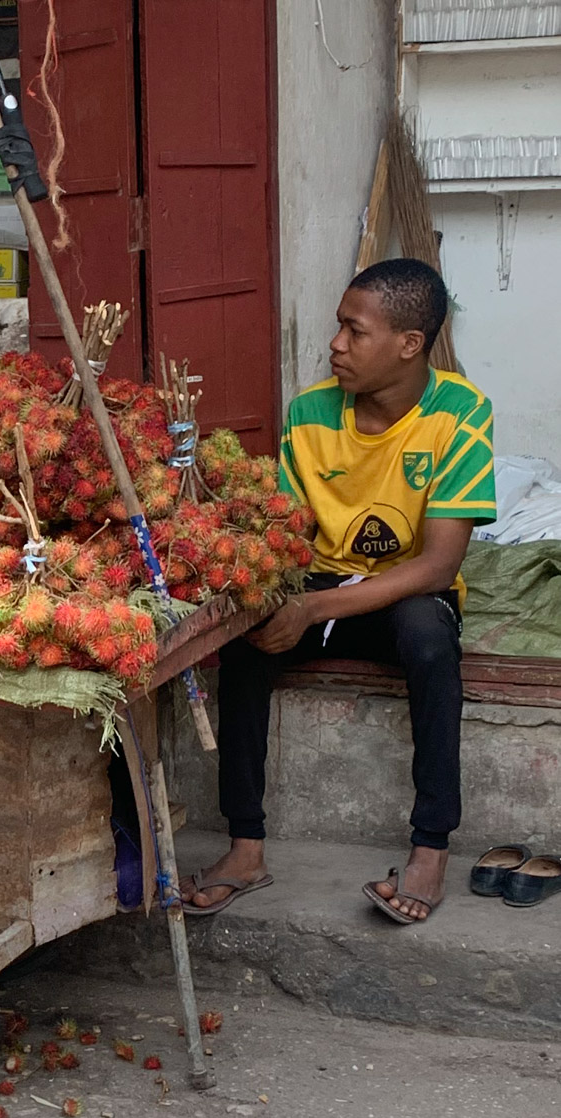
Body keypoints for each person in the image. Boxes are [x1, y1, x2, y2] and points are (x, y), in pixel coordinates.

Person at [182, 258, 495, 924]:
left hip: (403, 593)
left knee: (430, 637)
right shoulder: (310, 414)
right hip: (318, 583)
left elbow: (438, 567)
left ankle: (431, 847)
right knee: (244, 639)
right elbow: (289, 539)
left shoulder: (461, 413)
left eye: (355, 331)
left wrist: (314, 607)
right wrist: (261, 586)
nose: (336, 345)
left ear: (409, 344)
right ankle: (245, 847)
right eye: (338, 327)